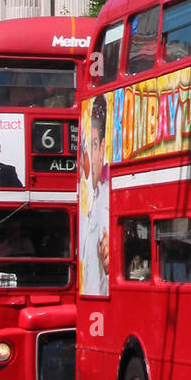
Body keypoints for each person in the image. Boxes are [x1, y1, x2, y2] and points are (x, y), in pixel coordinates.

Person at [80, 95, 110, 295]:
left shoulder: (107, 200)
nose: (87, 159)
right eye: (86, 147)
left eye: (93, 145)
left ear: (102, 148)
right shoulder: (94, 196)